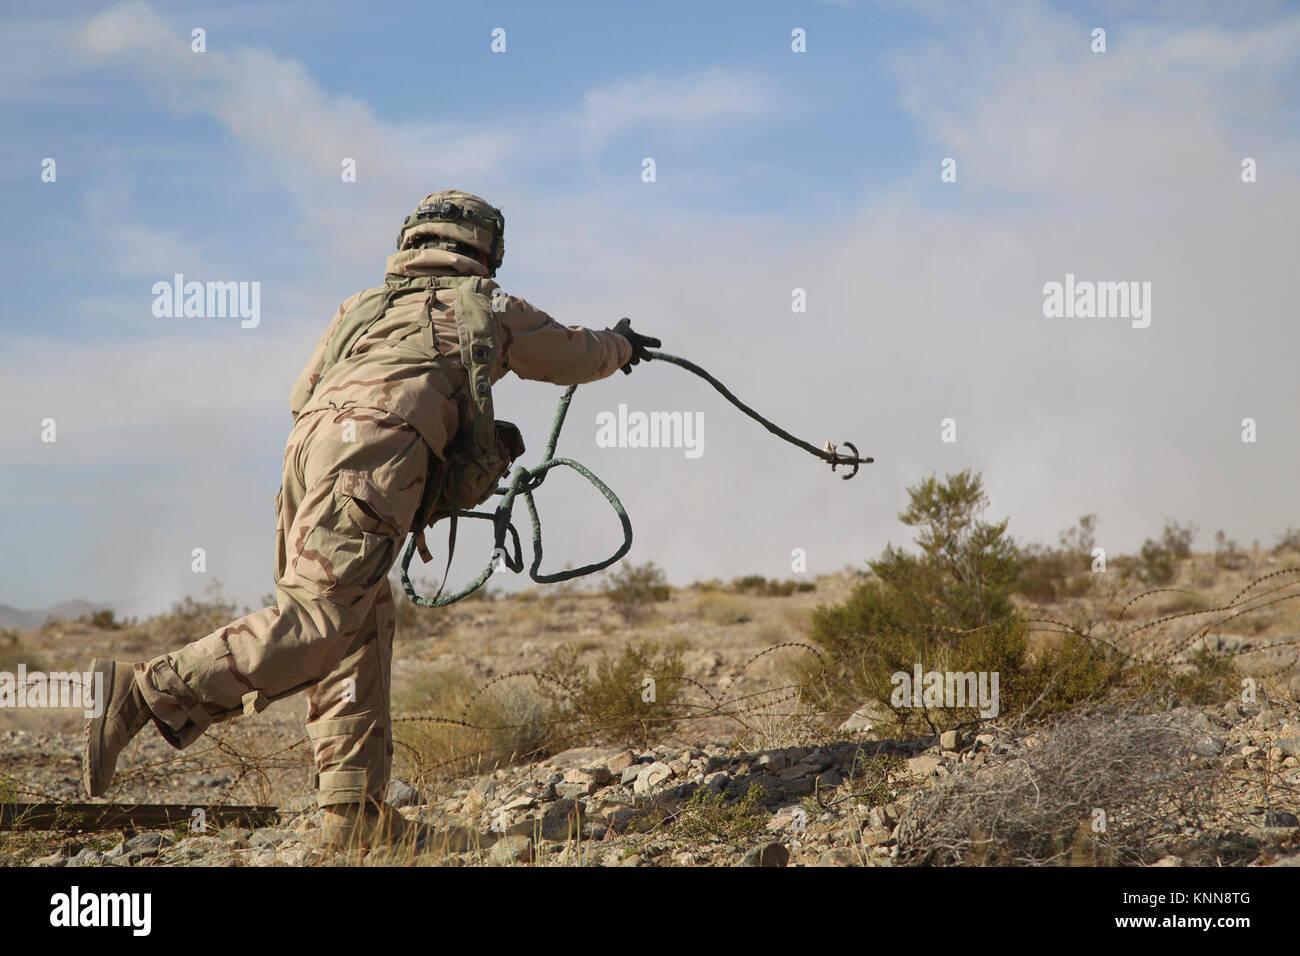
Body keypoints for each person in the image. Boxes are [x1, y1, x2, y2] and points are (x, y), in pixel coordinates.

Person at [82, 189, 661, 848]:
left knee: (358, 617)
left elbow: (301, 392)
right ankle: (150, 691)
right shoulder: (490, 305)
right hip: (376, 452)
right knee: (323, 619)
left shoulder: (359, 306)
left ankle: (351, 817)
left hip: (307, 452)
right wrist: (619, 345)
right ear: (486, 250)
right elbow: (572, 357)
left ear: (413, 243)